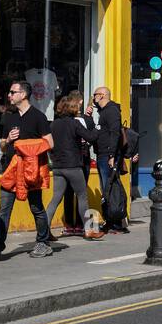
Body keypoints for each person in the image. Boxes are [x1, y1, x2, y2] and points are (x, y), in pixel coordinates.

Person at [0, 81, 56, 259]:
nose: (9, 95)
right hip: (11, 170)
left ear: (23, 95)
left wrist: (26, 147)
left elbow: (49, 143)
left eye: (12, 92)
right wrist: (8, 139)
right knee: (4, 209)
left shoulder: (38, 117)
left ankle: (43, 242)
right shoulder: (9, 117)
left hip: (31, 171)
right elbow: (1, 144)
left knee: (36, 207)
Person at [46, 92, 102, 240]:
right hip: (73, 166)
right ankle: (89, 230)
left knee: (55, 198)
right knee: (83, 196)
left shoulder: (53, 124)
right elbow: (90, 137)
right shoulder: (74, 123)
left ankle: (43, 231)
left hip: (57, 166)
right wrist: (98, 126)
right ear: (71, 109)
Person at [87, 87, 127, 234]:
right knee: (108, 188)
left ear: (102, 96)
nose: (93, 98)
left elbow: (115, 133)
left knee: (109, 188)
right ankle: (114, 219)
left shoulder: (111, 111)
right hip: (103, 154)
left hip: (107, 156)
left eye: (95, 95)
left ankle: (115, 221)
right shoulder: (104, 112)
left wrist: (111, 155)